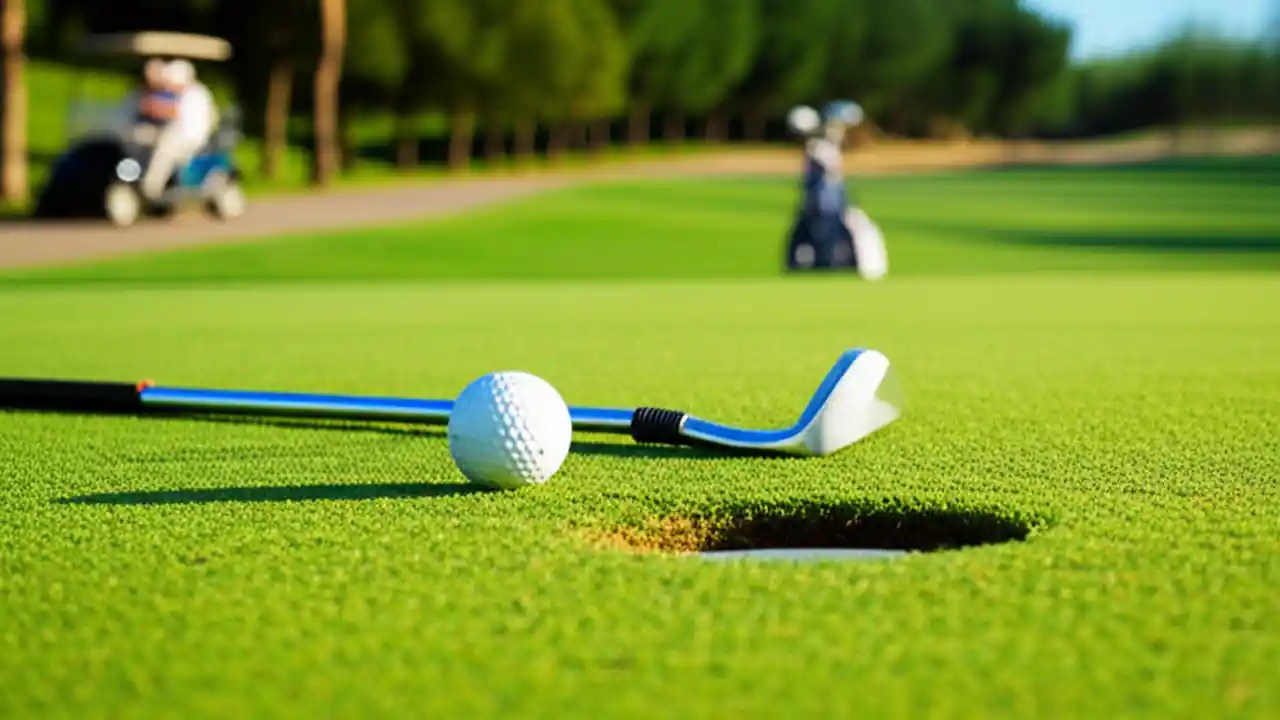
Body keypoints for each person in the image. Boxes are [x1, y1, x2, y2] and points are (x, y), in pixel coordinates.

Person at [783, 100, 888, 280]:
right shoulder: (819, 149)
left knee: (827, 242)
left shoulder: (821, 148)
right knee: (817, 242)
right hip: (822, 207)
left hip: (828, 206)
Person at [139, 59, 217, 202]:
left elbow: (174, 112)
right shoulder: (191, 92)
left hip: (191, 137)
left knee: (164, 149)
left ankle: (151, 189)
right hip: (183, 134)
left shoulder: (194, 94)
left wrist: (153, 107)